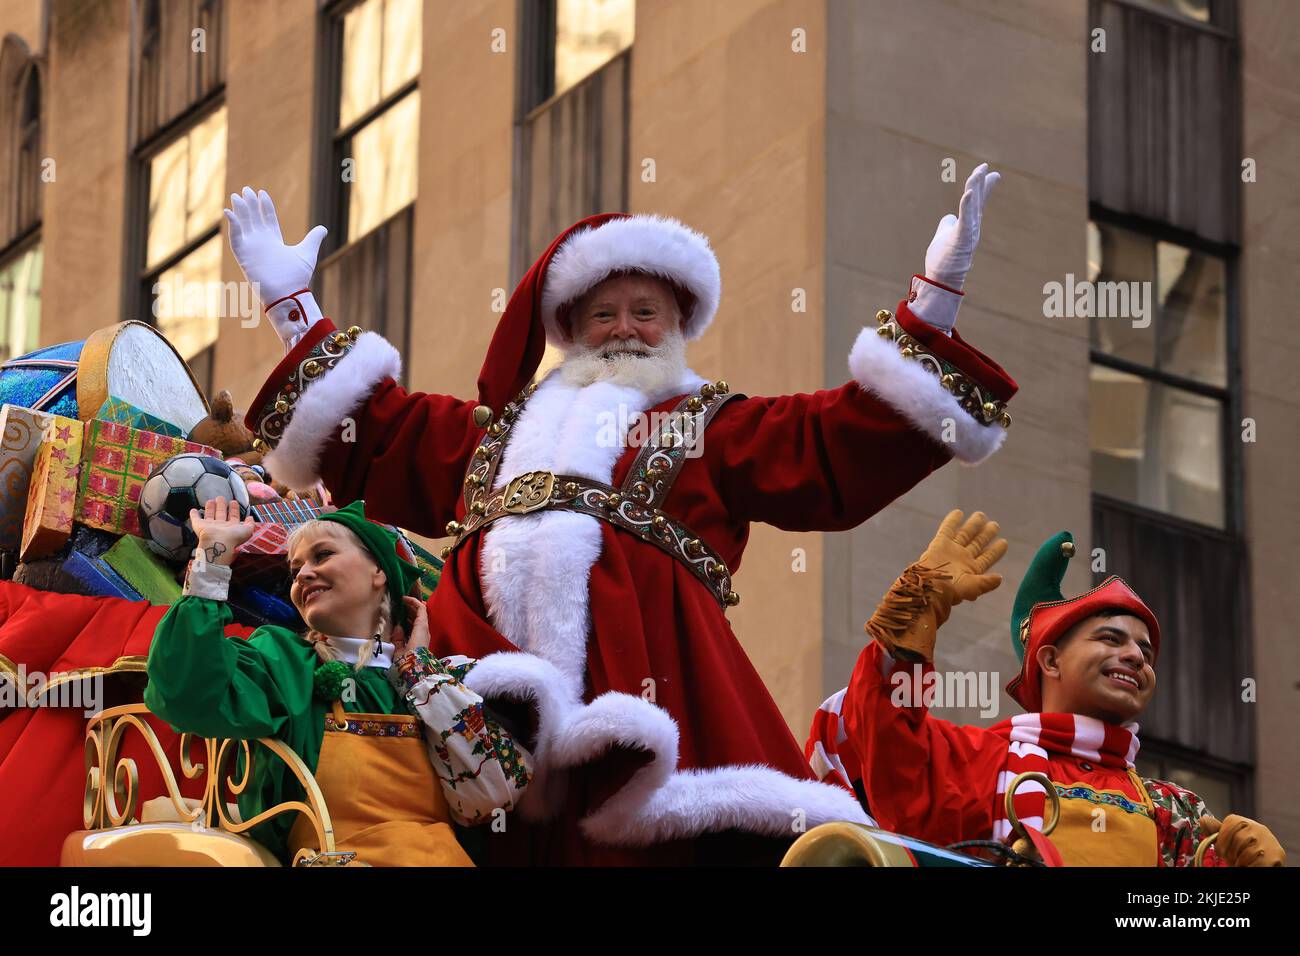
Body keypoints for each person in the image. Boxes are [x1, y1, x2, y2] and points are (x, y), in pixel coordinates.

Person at [223, 164, 1017, 865]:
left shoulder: (715, 426)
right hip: (482, 704)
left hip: (656, 686)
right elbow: (377, 425)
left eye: (647, 311)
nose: (627, 329)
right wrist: (291, 301)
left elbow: (831, 441)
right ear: (568, 332)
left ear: (678, 325)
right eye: (604, 314)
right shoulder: (494, 439)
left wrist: (930, 307)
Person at [806, 512, 1285, 867]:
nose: (1137, 656)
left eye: (1146, 652)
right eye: (1111, 639)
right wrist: (914, 613)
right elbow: (888, 740)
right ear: (1050, 660)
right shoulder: (978, 762)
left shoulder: (1174, 812)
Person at [144, 497, 531, 866]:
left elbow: (496, 793)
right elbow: (184, 690)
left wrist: (418, 671)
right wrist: (213, 558)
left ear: (378, 571)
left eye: (323, 555)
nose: (304, 574)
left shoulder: (446, 677)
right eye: (295, 572)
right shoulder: (285, 662)